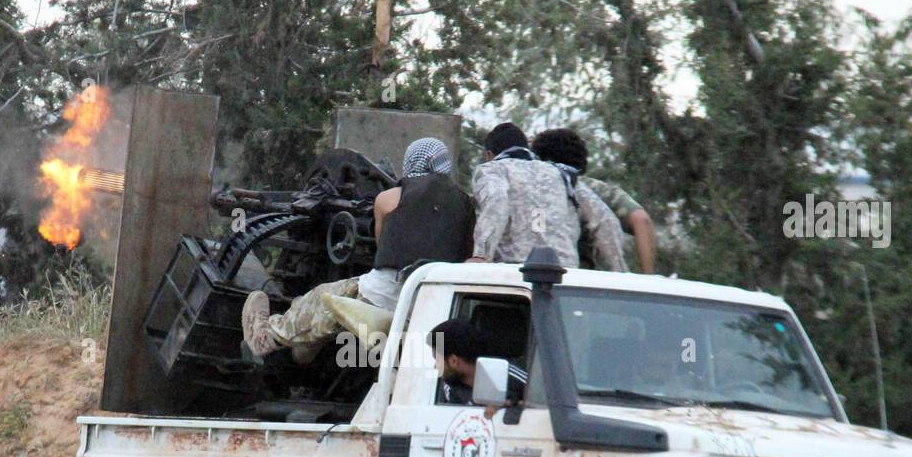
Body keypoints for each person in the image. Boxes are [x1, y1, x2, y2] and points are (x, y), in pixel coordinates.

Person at [241, 138, 474, 361]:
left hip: (386, 294)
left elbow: (382, 246)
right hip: (432, 305)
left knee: (323, 298)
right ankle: (307, 345)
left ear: (411, 162)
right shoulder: (466, 205)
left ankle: (268, 337)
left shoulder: (388, 198)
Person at [470, 122, 626, 272]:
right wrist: (620, 273)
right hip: (565, 275)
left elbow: (496, 202)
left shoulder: (491, 170)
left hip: (514, 273)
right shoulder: (562, 174)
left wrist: (481, 256)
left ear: (489, 154)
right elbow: (605, 220)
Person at [531, 127, 656, 274]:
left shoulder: (526, 186)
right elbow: (641, 220)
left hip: (526, 278)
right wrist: (648, 280)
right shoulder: (594, 190)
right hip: (582, 283)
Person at [429, 318, 528, 406]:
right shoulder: (450, 384)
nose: (435, 367)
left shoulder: (510, 377)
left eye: (437, 360)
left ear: (454, 361)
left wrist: (514, 405)